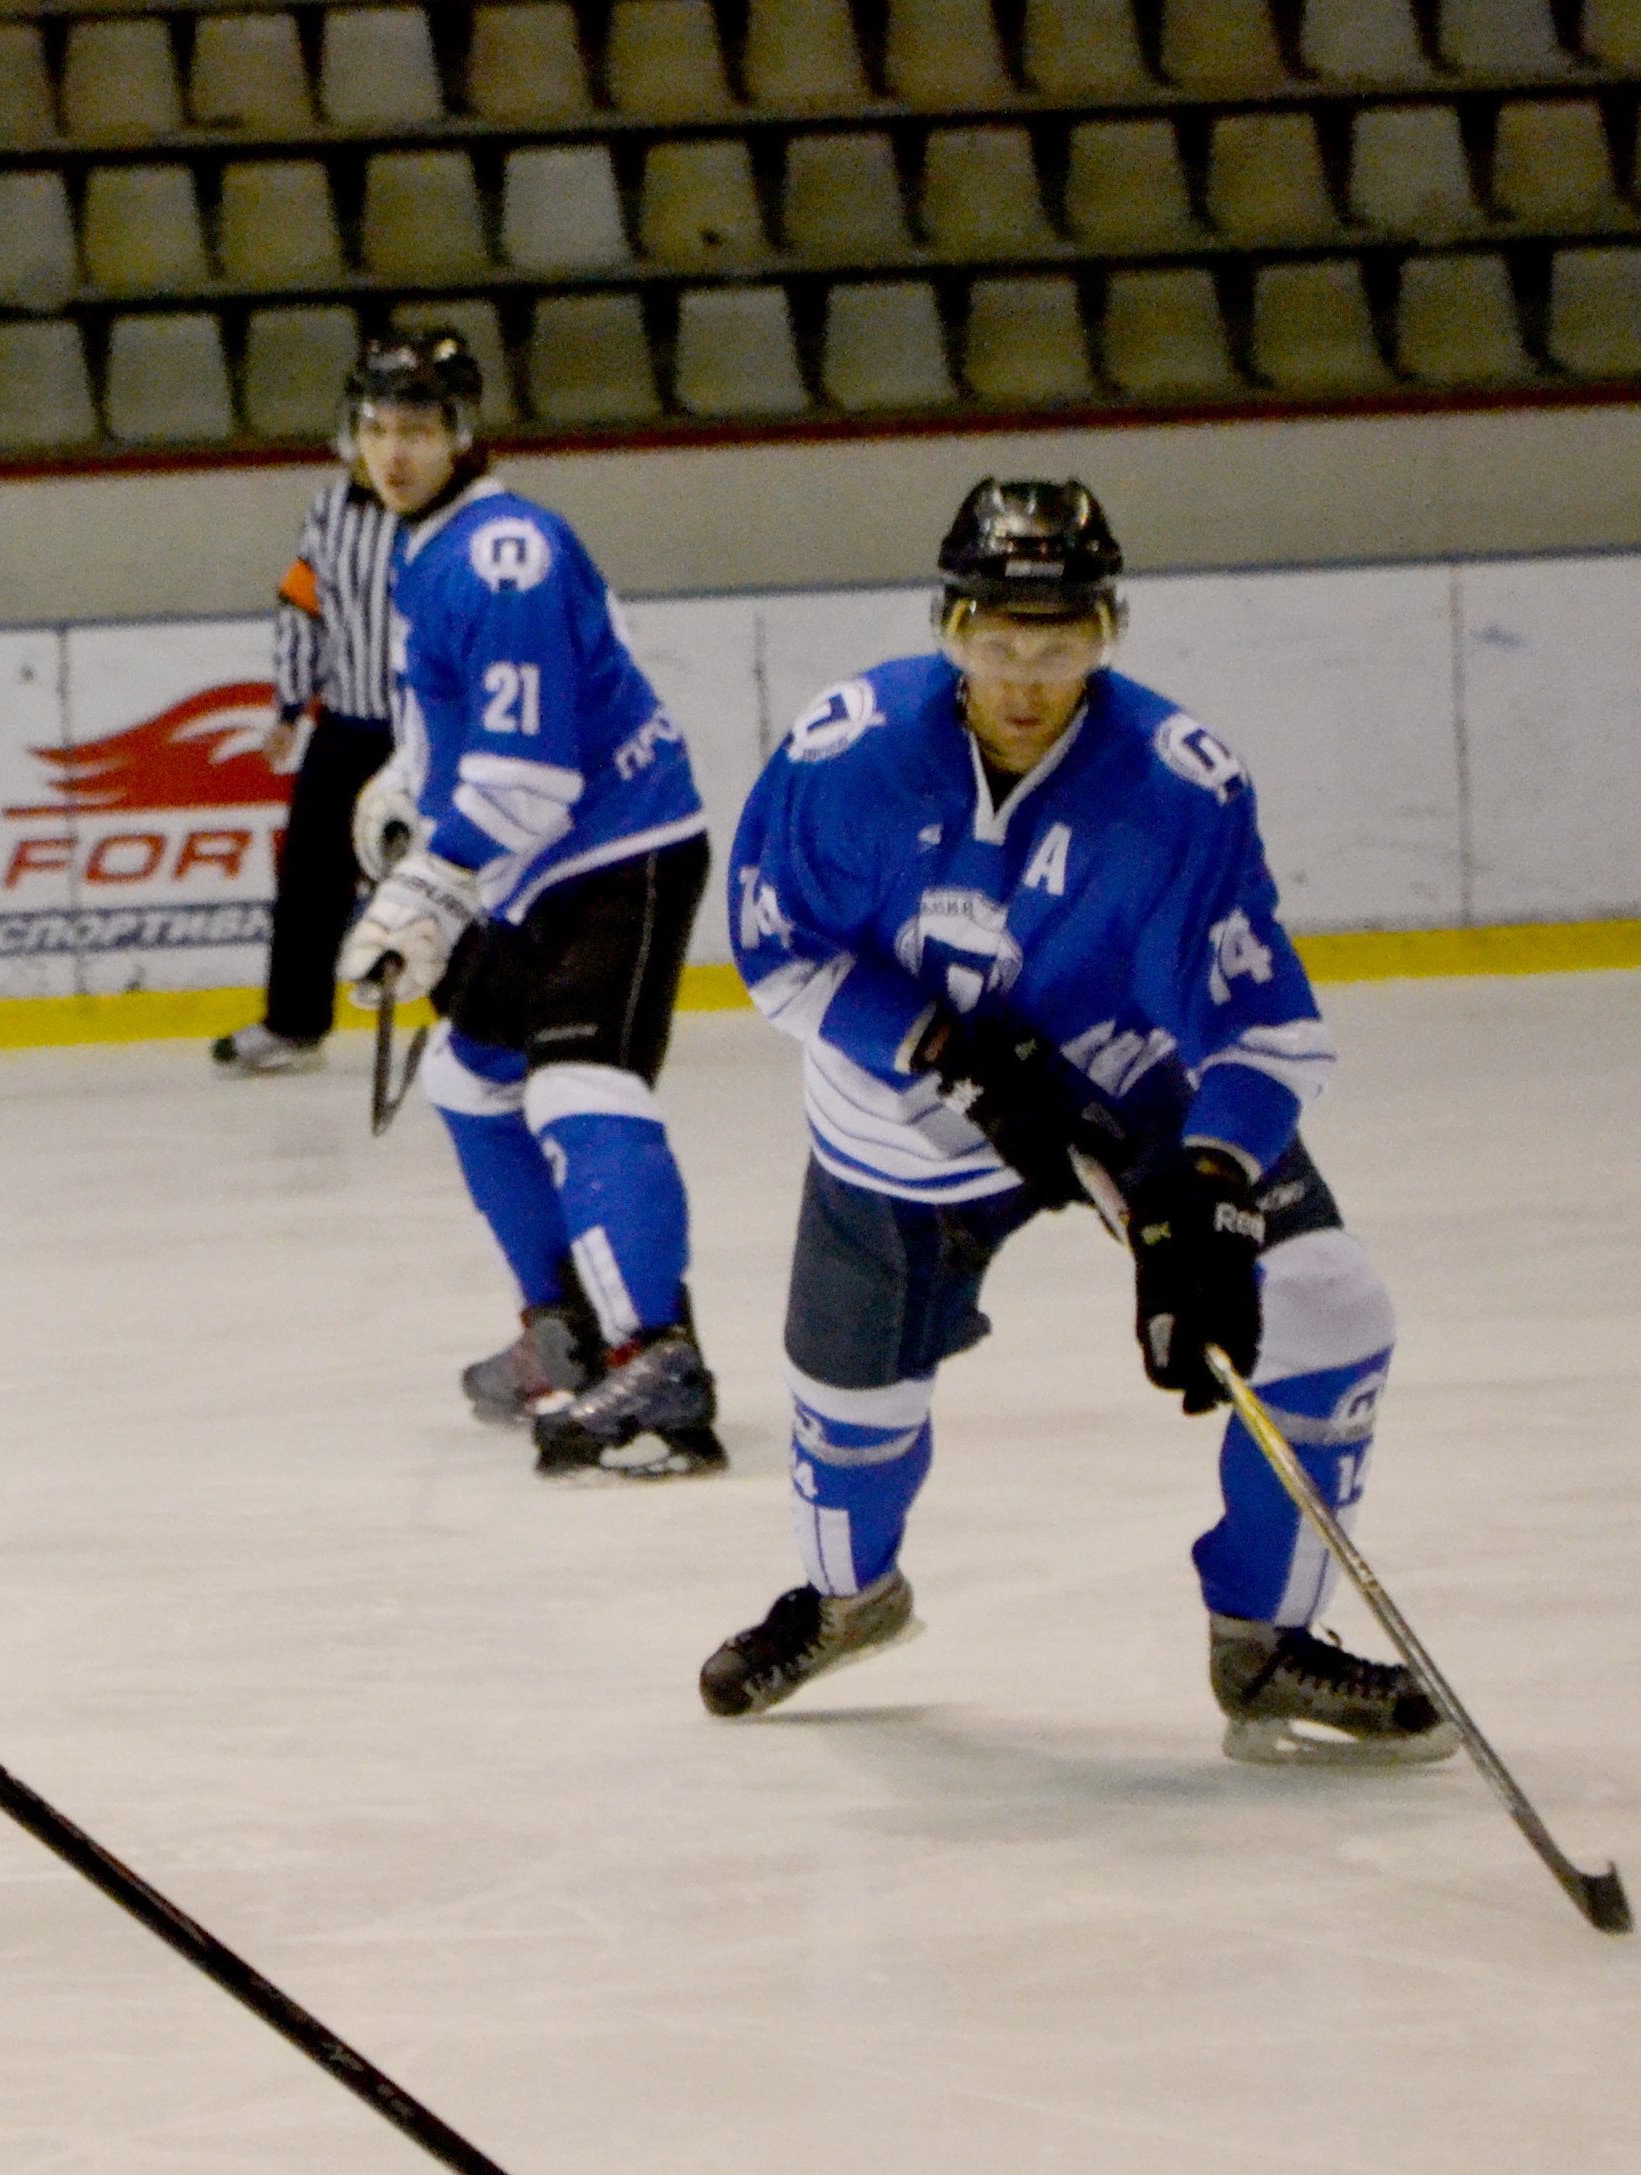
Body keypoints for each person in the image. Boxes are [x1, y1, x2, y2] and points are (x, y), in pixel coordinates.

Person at [698, 477, 1461, 1766]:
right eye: (996, 642)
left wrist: (1212, 1186)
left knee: (1328, 1309)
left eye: (1058, 646)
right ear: (949, 629)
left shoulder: (1178, 789)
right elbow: (777, 948)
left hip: (1136, 1090)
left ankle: (1264, 1644)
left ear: (1106, 633)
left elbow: (1263, 1028)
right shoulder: (847, 759)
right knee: (850, 1411)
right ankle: (848, 1600)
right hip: (904, 1122)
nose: (1024, 678)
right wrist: (952, 1052)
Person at [331, 331, 721, 1477]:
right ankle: (568, 1334)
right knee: (470, 1079)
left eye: (417, 429)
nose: (394, 453)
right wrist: (415, 791)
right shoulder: (437, 549)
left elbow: (532, 771)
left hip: (620, 851)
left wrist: (426, 887)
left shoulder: (503, 550)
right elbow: (474, 739)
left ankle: (658, 1359)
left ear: (463, 434)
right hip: (541, 865)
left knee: (580, 1086)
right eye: (378, 429)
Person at [209, 376, 399, 1078]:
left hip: (428, 732)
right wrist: (291, 706)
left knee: (453, 876)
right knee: (311, 877)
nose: (384, 452)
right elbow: (303, 609)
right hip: (347, 723)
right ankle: (293, 1023)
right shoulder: (328, 512)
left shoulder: (444, 522)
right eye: (372, 434)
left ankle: (488, 1023)